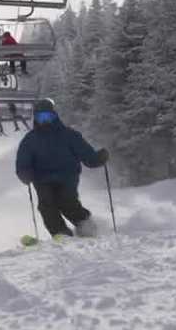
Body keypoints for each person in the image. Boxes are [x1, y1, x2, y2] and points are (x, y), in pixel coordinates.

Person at [16, 99, 109, 237]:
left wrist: (98, 158)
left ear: (54, 116)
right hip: (41, 179)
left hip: (67, 176)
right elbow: (23, 161)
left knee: (66, 201)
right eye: (41, 117)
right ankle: (60, 232)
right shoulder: (30, 139)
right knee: (46, 205)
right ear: (35, 118)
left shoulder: (68, 135)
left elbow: (86, 155)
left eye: (48, 116)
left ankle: (86, 225)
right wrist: (24, 173)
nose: (45, 121)